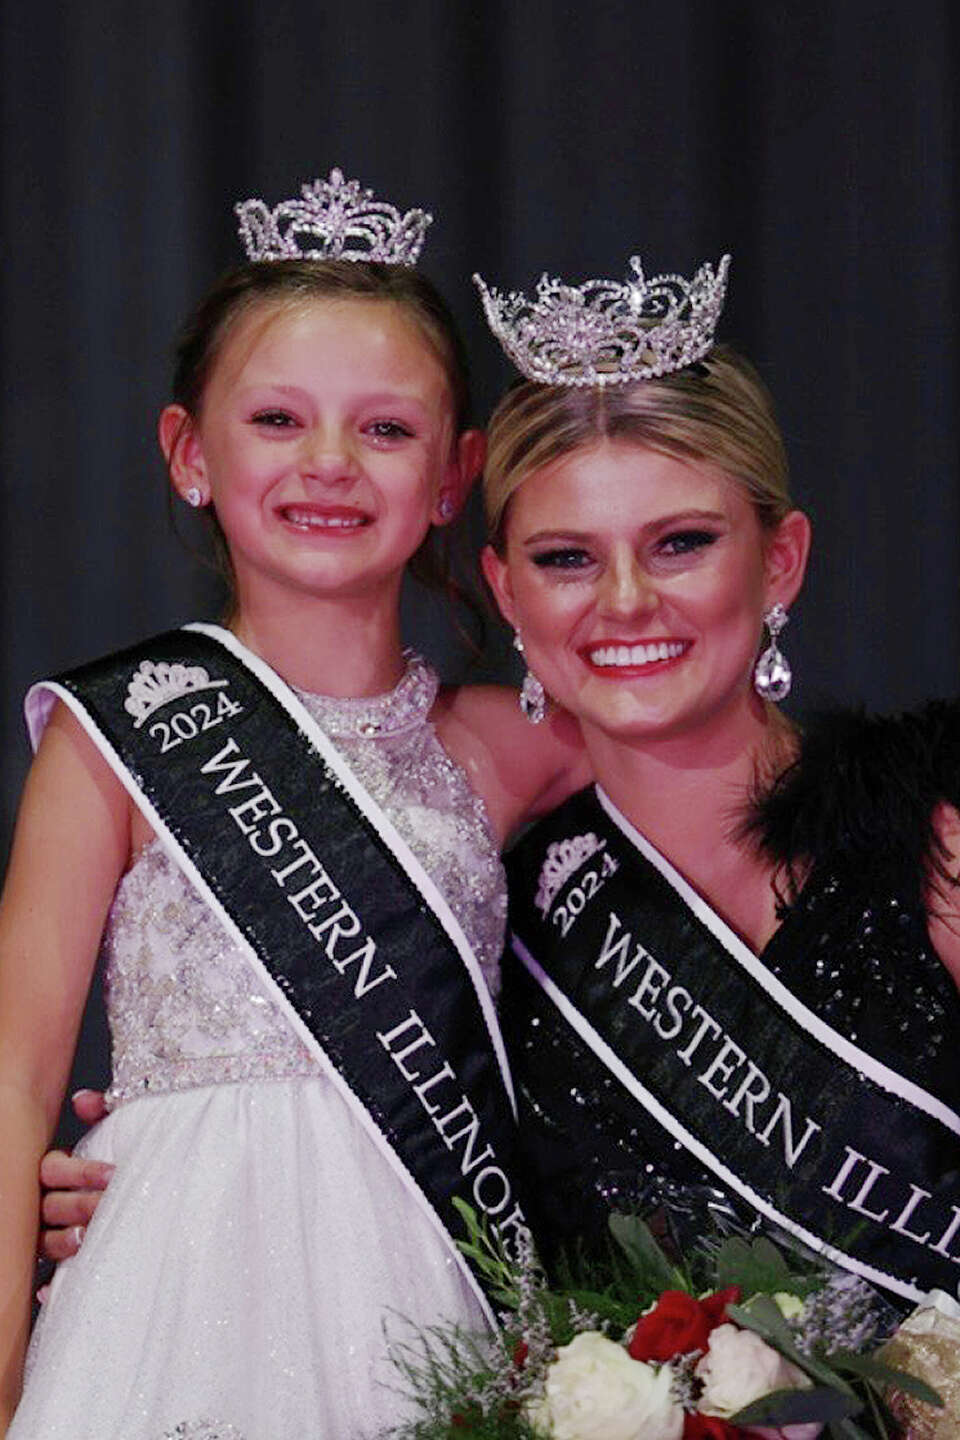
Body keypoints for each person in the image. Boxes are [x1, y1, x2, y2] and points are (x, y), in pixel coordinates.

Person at [0, 172, 583, 1440]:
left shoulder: (511, 747)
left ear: (453, 474)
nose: (329, 463)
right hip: (162, 1296)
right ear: (190, 453)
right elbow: (11, 1076)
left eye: (384, 429)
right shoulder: (114, 739)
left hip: (430, 1291)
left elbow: (721, 776)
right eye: (277, 419)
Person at [473, 252, 960, 1313]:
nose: (627, 599)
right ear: (504, 590)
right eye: (566, 559)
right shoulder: (495, 920)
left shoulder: (934, 827)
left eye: (682, 543)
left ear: (780, 561)